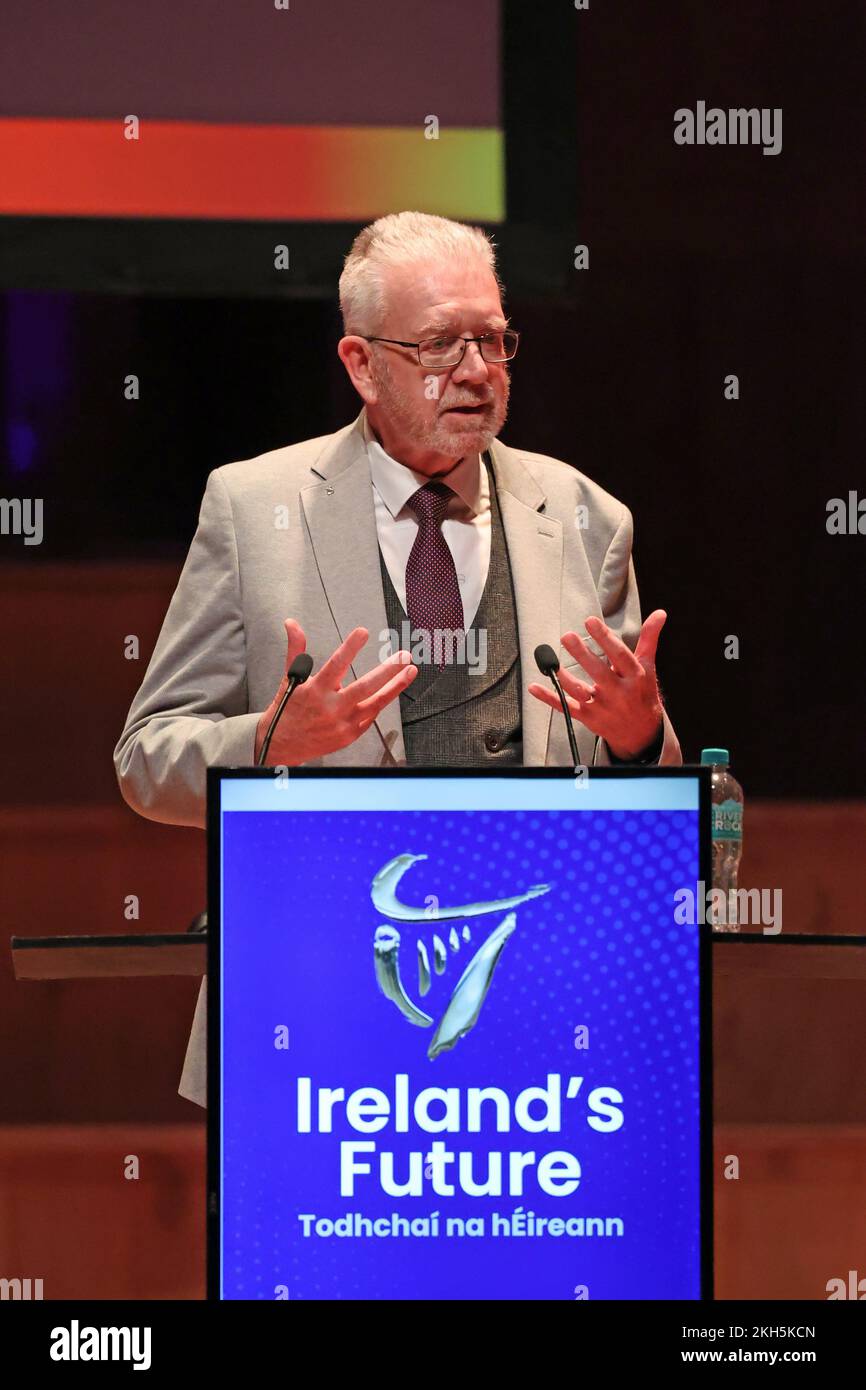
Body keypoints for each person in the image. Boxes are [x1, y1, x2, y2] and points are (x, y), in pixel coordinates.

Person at [114, 211, 681, 1106]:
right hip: (317, 1000)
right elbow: (146, 760)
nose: (477, 371)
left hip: (536, 1000)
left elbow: (647, 789)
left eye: (493, 340)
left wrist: (639, 740)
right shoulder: (252, 508)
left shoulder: (585, 518)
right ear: (360, 364)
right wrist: (266, 744)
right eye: (439, 345)